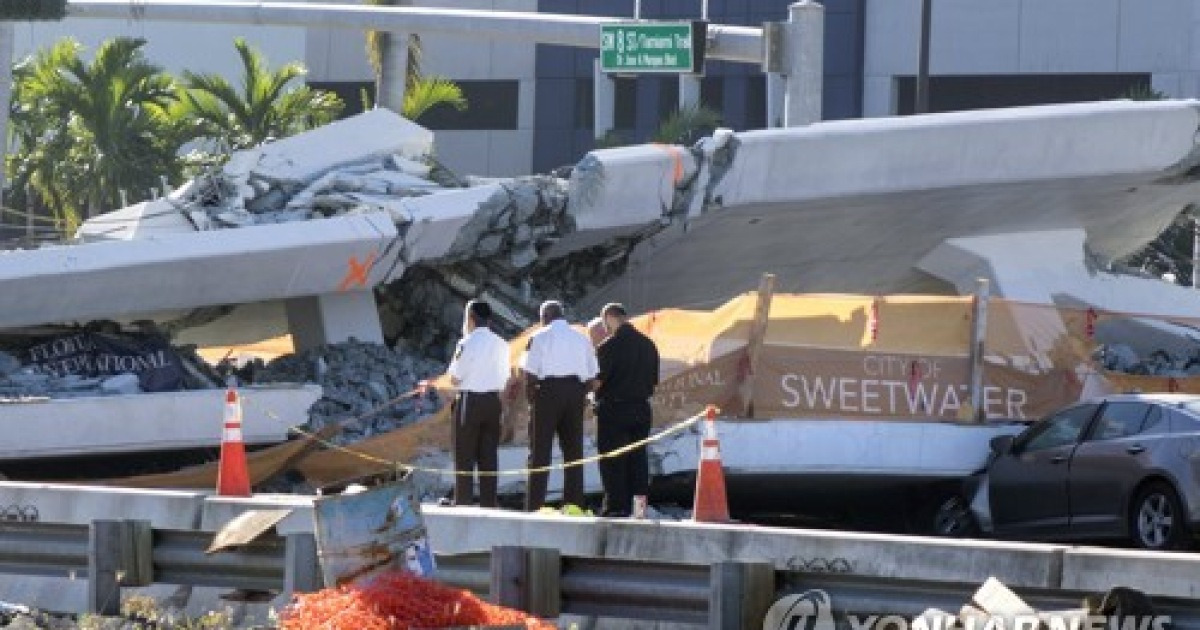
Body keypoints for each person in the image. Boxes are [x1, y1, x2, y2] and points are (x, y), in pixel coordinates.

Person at [521, 300, 598, 511]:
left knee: (540, 452)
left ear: (545, 317)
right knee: (574, 452)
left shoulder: (539, 337)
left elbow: (530, 374)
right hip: (575, 392)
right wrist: (583, 397)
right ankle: (574, 505)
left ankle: (535, 506)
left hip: (548, 392)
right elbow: (593, 376)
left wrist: (533, 403)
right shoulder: (582, 339)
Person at [594, 303, 660, 517]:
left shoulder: (608, 346)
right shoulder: (649, 345)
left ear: (610, 318)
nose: (605, 327)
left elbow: (597, 381)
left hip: (614, 409)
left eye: (605, 323)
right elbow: (653, 381)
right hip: (641, 409)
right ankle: (638, 507)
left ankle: (615, 507)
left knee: (613, 460)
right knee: (638, 460)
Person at [445, 300, 510, 508]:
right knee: (489, 454)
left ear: (471, 318)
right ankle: (489, 502)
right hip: (493, 401)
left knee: (464, 453)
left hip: (470, 400)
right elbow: (505, 376)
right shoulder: (501, 343)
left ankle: (462, 501)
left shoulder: (466, 343)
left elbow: (455, 377)